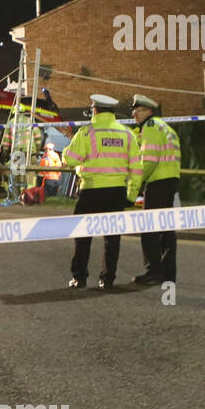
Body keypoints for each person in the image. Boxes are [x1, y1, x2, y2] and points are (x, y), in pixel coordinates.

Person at [61, 94, 140, 291]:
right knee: (112, 238)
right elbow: (137, 169)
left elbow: (70, 159)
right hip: (117, 191)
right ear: (113, 112)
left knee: (82, 236)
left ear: (95, 110)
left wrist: (66, 151)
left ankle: (79, 278)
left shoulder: (87, 132)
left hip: (91, 191)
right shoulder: (127, 134)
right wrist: (131, 195)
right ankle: (108, 279)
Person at [128, 94, 181, 285]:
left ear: (148, 111)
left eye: (138, 111)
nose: (135, 114)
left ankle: (153, 271)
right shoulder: (165, 127)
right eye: (134, 111)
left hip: (157, 182)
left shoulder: (150, 127)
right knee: (166, 230)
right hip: (171, 181)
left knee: (149, 227)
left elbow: (149, 161)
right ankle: (168, 273)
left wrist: (135, 186)